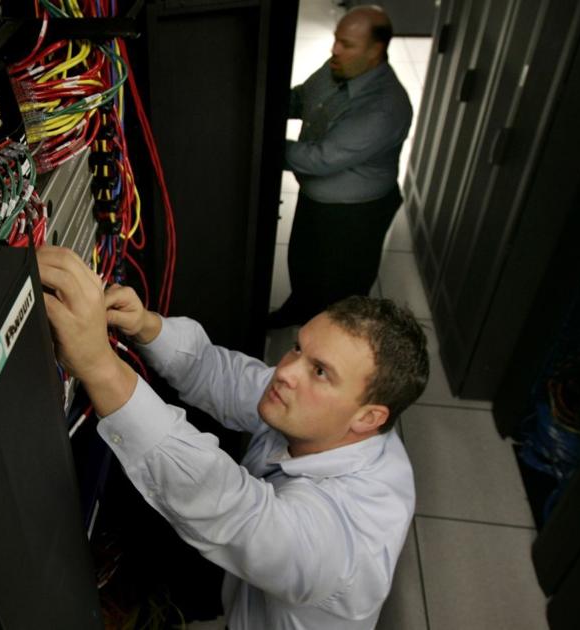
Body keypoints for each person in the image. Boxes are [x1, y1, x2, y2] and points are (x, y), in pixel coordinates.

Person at [37, 245, 429, 629]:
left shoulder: (343, 545)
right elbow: (224, 376)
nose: (286, 372)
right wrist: (146, 326)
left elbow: (231, 509)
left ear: (368, 417)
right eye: (297, 348)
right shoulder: (334, 417)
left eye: (321, 372)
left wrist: (99, 367)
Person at [271, 5, 413, 329]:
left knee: (339, 291)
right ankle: (298, 310)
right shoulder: (340, 66)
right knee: (304, 264)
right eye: (337, 39)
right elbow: (303, 98)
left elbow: (320, 158)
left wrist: (260, 145)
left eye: (346, 44)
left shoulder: (384, 108)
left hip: (353, 215)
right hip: (318, 201)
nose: (335, 49)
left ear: (376, 50)